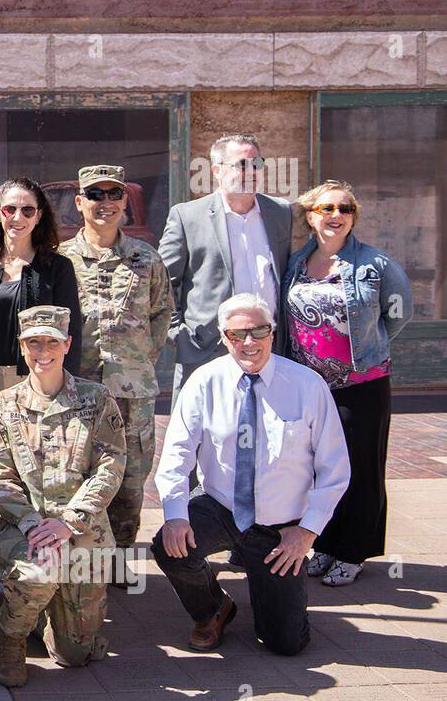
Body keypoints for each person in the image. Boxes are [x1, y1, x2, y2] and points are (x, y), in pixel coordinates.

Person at [151, 293, 350, 656]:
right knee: (170, 547)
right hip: (221, 507)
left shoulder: (307, 385)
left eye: (259, 331)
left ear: (273, 332)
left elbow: (335, 469)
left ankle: (275, 598)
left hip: (280, 526)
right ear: (223, 337)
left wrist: (306, 532)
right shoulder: (204, 382)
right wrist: (176, 517)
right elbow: (177, 455)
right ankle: (213, 608)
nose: (249, 342)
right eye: (237, 334)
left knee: (285, 644)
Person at [0, 305, 125, 686]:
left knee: (74, 654)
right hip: (22, 531)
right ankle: (11, 638)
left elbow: (110, 466)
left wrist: (67, 522)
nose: (42, 351)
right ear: (21, 346)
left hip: (80, 532)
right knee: (41, 569)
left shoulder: (96, 399)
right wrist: (33, 526)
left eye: (52, 342)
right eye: (33, 343)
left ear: (68, 345)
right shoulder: (2, 406)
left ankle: (26, 603)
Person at [0, 177, 82, 616]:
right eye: (9, 209)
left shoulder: (56, 268)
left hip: (39, 384)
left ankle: (40, 573)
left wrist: (67, 387)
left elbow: (72, 331)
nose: (17, 217)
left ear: (41, 216)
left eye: (28, 210)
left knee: (41, 478)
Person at [282, 181, 413, 587]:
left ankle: (353, 551)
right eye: (326, 208)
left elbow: (399, 313)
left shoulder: (375, 264)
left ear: (353, 216)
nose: (335, 215)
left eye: (344, 208)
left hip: (361, 384)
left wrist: (367, 351)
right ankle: (326, 544)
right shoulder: (296, 263)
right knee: (321, 470)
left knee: (360, 469)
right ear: (310, 216)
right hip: (311, 387)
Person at [59, 165, 172, 583]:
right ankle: (85, 552)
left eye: (113, 194)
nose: (104, 203)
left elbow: (161, 314)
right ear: (80, 202)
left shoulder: (146, 258)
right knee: (80, 473)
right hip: (79, 390)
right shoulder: (62, 261)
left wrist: (137, 358)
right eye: (95, 194)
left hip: (132, 391)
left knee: (129, 479)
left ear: (125, 201)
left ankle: (120, 555)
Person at [159, 133, 293, 401]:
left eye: (257, 164)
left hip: (266, 348)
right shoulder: (188, 216)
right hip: (207, 348)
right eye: (242, 164)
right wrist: (178, 334)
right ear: (217, 170)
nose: (251, 171)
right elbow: (161, 283)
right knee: (201, 436)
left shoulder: (280, 212)